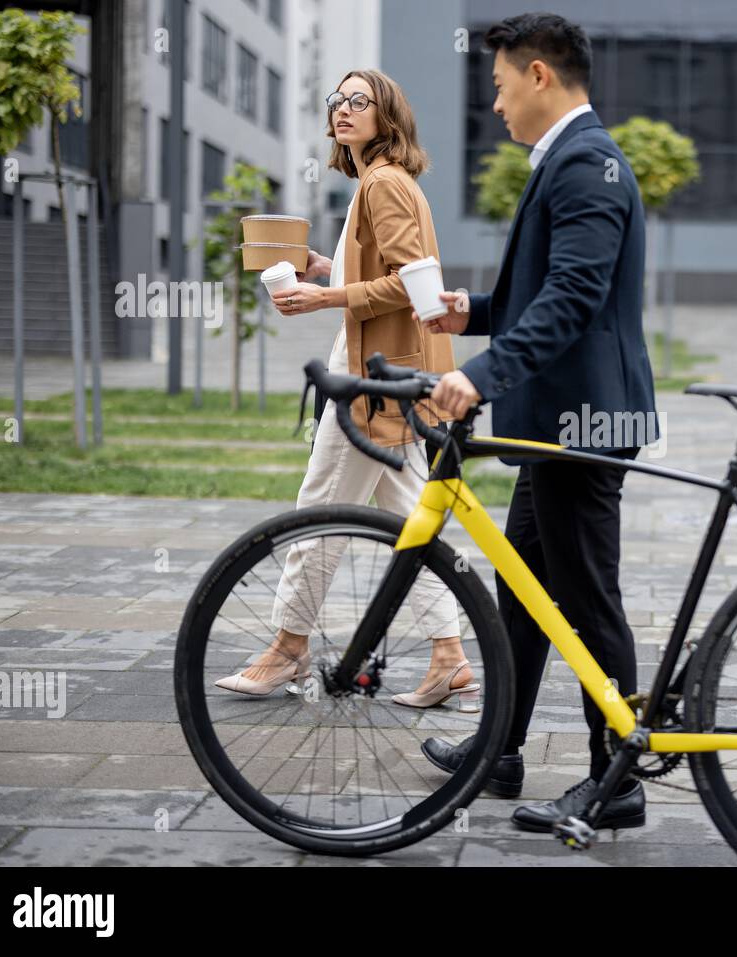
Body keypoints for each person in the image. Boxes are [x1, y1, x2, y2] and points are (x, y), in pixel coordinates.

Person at [417, 13, 658, 832]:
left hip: (580, 424)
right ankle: (501, 749)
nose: (496, 104)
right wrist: (474, 312)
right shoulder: (569, 160)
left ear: (540, 77)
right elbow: (548, 291)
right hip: (558, 422)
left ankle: (617, 779)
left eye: (500, 84)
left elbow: (576, 296)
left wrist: (478, 375)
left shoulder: (586, 164)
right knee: (521, 591)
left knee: (588, 602)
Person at [214, 69, 478, 710]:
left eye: (361, 100)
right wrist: (326, 270)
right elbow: (388, 275)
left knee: (318, 512)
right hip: (392, 371)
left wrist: (324, 296)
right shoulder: (379, 181)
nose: (344, 109)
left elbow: (416, 283)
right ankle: (449, 656)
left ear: (388, 115)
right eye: (338, 99)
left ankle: (287, 649)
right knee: (410, 519)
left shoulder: (384, 182)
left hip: (373, 377)